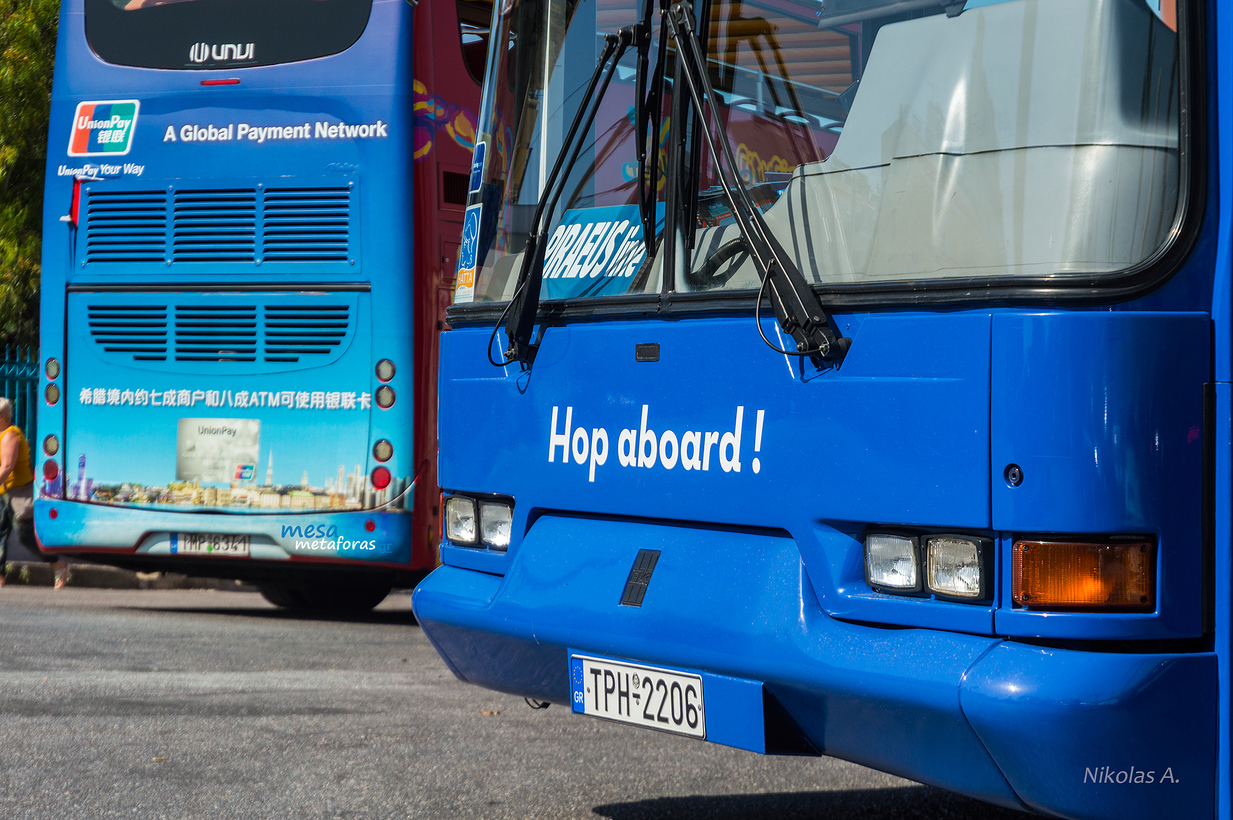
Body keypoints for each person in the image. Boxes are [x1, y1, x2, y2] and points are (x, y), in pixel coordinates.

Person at [0, 398, 62, 588]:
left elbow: (8, 466)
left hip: (18, 493)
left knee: (25, 535)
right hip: (3, 492)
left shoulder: (11, 435)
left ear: (2, 417)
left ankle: (58, 564)